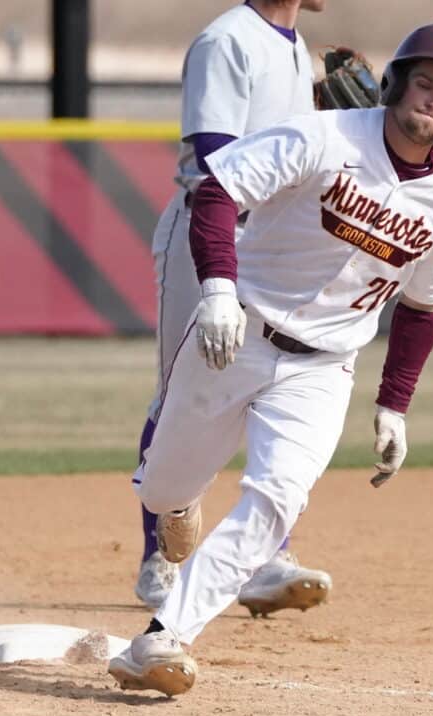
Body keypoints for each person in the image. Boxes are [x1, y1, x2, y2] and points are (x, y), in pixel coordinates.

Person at [111, 22, 433, 696]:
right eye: (425, 82)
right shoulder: (325, 136)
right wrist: (217, 290)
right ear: (396, 84)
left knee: (278, 499)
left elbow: (426, 305)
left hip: (324, 366)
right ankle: (177, 503)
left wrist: (394, 404)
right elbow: (218, 190)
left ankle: (164, 638)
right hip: (236, 334)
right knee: (163, 488)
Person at [135, 0, 334, 615]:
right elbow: (214, 161)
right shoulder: (228, 41)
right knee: (180, 394)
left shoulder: (297, 48)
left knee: (276, 388)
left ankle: (265, 558)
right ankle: (161, 559)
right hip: (209, 233)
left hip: (272, 246)